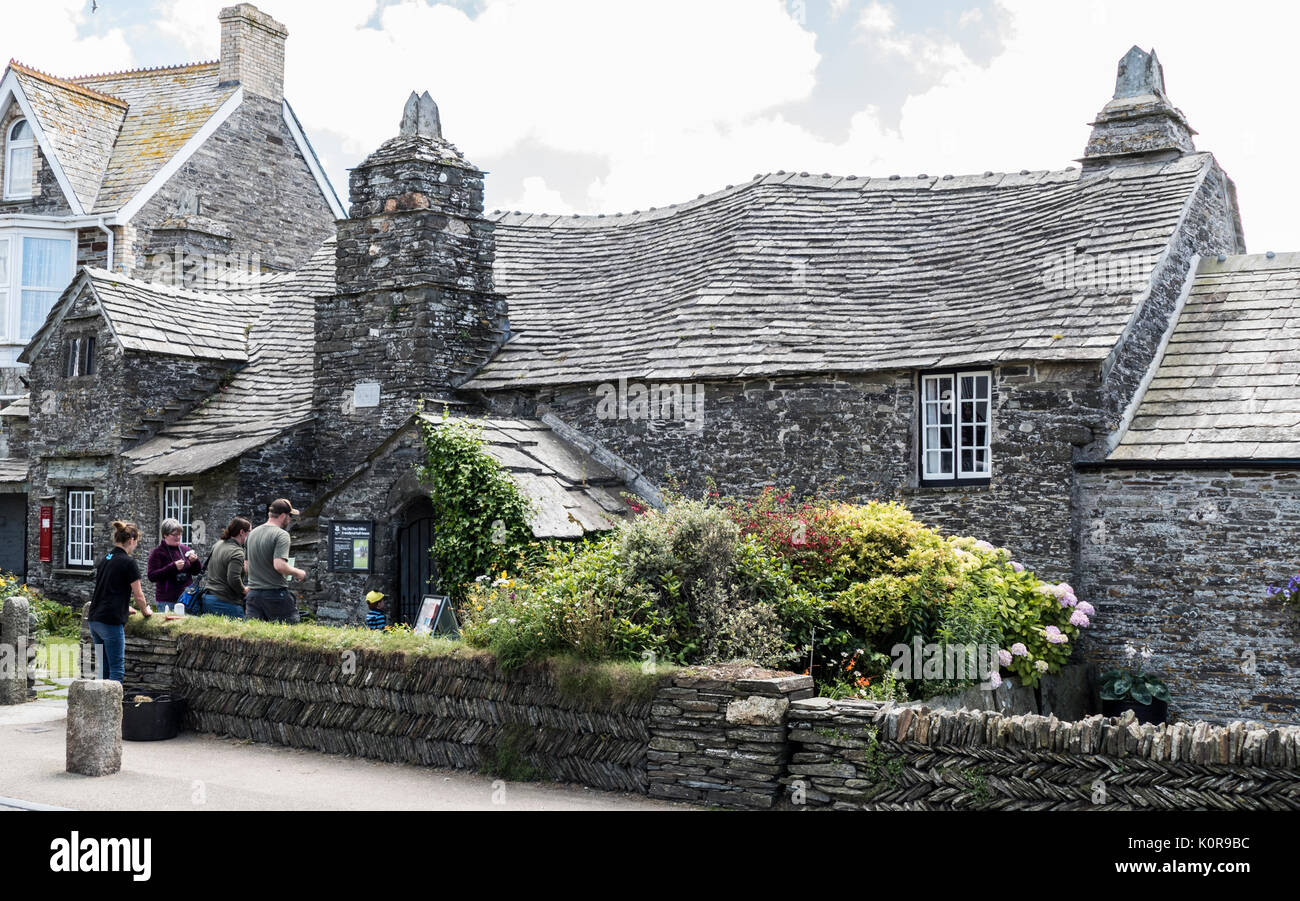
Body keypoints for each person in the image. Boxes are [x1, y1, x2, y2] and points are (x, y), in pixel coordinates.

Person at [87, 520, 152, 683]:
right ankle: (113, 708)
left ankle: (100, 707)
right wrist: (145, 611)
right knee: (116, 670)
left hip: (95, 619)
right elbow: (139, 595)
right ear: (131, 540)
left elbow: (107, 589)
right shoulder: (128, 562)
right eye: (136, 542)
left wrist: (124, 606)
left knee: (105, 668)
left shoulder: (106, 558)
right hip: (110, 621)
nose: (136, 545)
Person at [245, 499, 307, 623]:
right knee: (288, 636)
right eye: (290, 516)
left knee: (255, 637)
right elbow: (279, 565)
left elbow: (246, 566)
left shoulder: (252, 534)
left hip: (253, 596)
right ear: (283, 515)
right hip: (275, 595)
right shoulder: (281, 535)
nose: (290, 520)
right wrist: (298, 572)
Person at [146, 518, 203, 613]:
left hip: (187, 598)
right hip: (167, 600)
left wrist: (195, 561)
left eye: (180, 534)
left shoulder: (185, 549)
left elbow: (196, 571)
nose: (178, 537)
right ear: (165, 534)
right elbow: (152, 576)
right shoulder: (157, 553)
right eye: (175, 535)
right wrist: (173, 567)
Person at [201, 516, 252, 618]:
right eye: (249, 532)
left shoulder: (218, 544)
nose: (251, 535)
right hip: (226, 602)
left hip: (208, 599)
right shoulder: (237, 551)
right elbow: (233, 579)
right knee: (238, 633)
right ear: (242, 532)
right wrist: (245, 590)